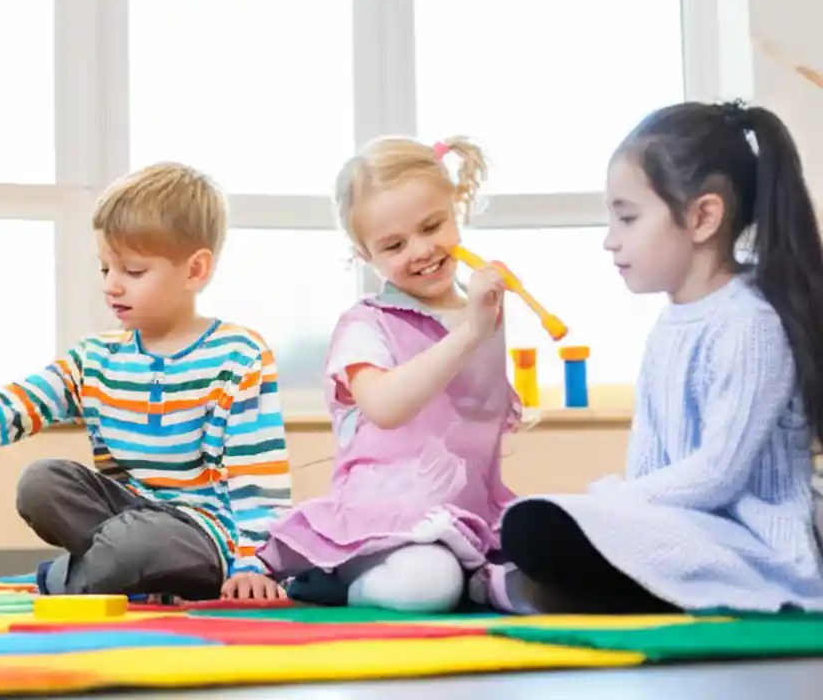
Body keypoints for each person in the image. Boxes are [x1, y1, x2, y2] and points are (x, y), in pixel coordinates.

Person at [0, 162, 291, 601]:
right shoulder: (95, 358)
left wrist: (255, 563)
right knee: (41, 483)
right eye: (105, 269)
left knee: (139, 542)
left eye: (133, 271)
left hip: (200, 533)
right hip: (123, 518)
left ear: (195, 270)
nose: (111, 286)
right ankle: (125, 574)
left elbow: (258, 478)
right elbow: (23, 400)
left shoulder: (239, 356)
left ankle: (66, 578)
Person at [497, 100, 823, 614]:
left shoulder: (750, 324)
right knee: (540, 520)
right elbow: (648, 466)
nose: (610, 240)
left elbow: (717, 475)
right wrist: (615, 508)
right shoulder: (666, 328)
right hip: (684, 524)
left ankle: (559, 583)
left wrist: (615, 504)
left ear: (702, 217)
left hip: (752, 544)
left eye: (626, 217)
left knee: (572, 526)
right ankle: (564, 578)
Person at [256, 136, 521, 612]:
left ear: (456, 209)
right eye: (394, 245)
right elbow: (386, 406)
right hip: (385, 526)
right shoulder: (365, 325)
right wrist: (470, 335)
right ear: (365, 254)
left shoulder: (483, 314)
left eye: (432, 225)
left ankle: (478, 581)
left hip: (471, 519)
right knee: (428, 583)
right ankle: (334, 580)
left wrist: (479, 326)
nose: (421, 250)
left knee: (555, 546)